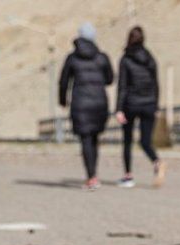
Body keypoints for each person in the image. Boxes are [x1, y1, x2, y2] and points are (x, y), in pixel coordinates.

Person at [59, 23, 114, 190]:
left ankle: (91, 176)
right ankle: (94, 175)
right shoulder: (102, 57)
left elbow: (63, 82)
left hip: (80, 104)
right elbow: (110, 78)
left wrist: (62, 100)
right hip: (99, 103)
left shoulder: (72, 58)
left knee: (85, 139)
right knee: (95, 138)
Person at [115, 26, 165, 189]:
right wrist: (156, 104)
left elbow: (122, 86)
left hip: (131, 104)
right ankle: (157, 162)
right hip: (149, 104)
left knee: (127, 141)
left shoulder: (125, 59)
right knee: (145, 141)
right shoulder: (150, 58)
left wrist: (119, 109)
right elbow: (156, 84)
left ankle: (128, 176)